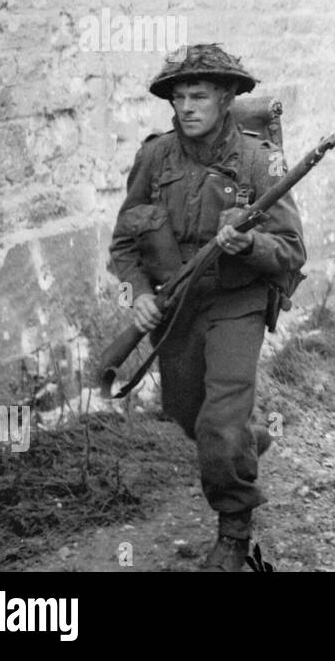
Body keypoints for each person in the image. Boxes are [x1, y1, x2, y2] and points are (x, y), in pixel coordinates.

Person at [109, 44, 306, 571]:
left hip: (235, 301)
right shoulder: (154, 157)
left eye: (199, 96)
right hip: (175, 306)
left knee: (219, 423)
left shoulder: (259, 161)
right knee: (185, 412)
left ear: (226, 99)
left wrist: (251, 246)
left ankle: (234, 533)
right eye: (179, 97)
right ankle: (244, 441)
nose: (187, 107)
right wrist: (140, 297)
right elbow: (125, 244)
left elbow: (292, 248)